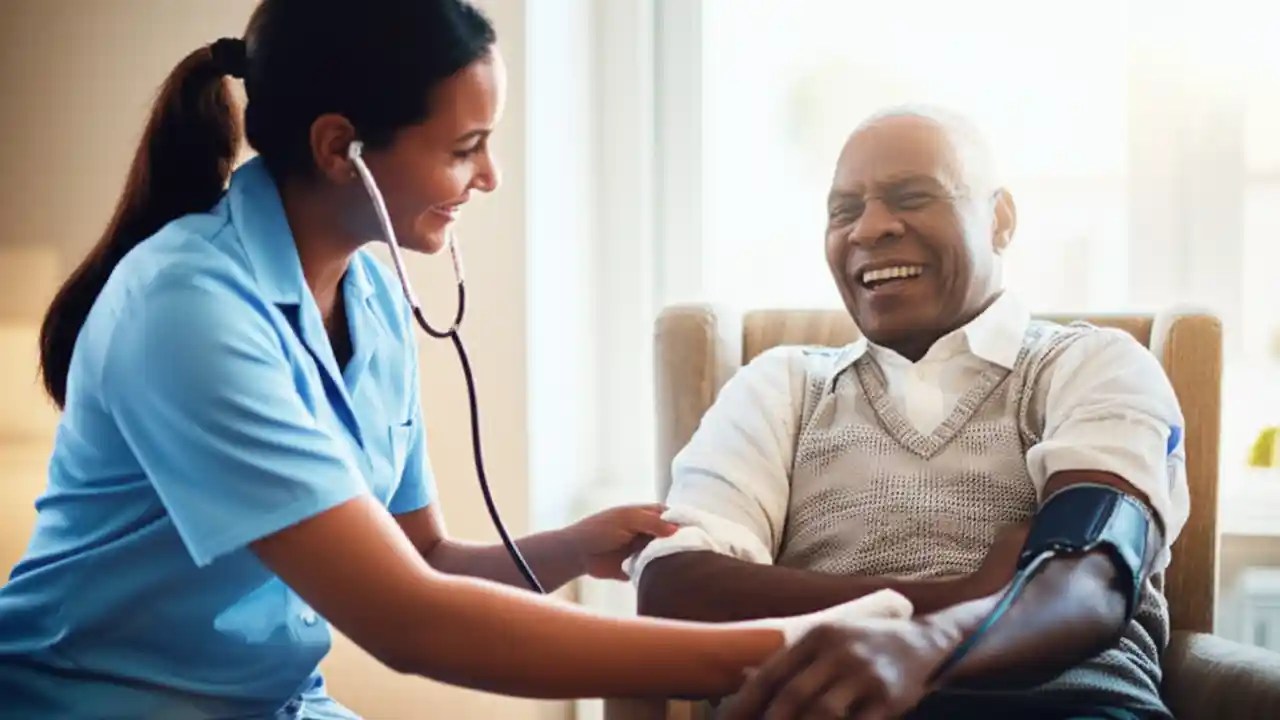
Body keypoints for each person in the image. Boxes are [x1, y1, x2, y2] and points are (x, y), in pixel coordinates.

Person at [0, 2, 911, 718]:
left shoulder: (371, 296)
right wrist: (782, 646)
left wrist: (573, 546)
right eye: (466, 148)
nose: (490, 178)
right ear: (338, 148)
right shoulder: (187, 309)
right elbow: (408, 621)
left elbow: (422, 559)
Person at [633, 107, 1189, 720]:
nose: (869, 229)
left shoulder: (1092, 366)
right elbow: (675, 588)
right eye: (844, 210)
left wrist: (928, 645)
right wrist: (972, 598)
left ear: (1000, 220)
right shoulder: (780, 385)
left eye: (911, 196)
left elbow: (1091, 580)